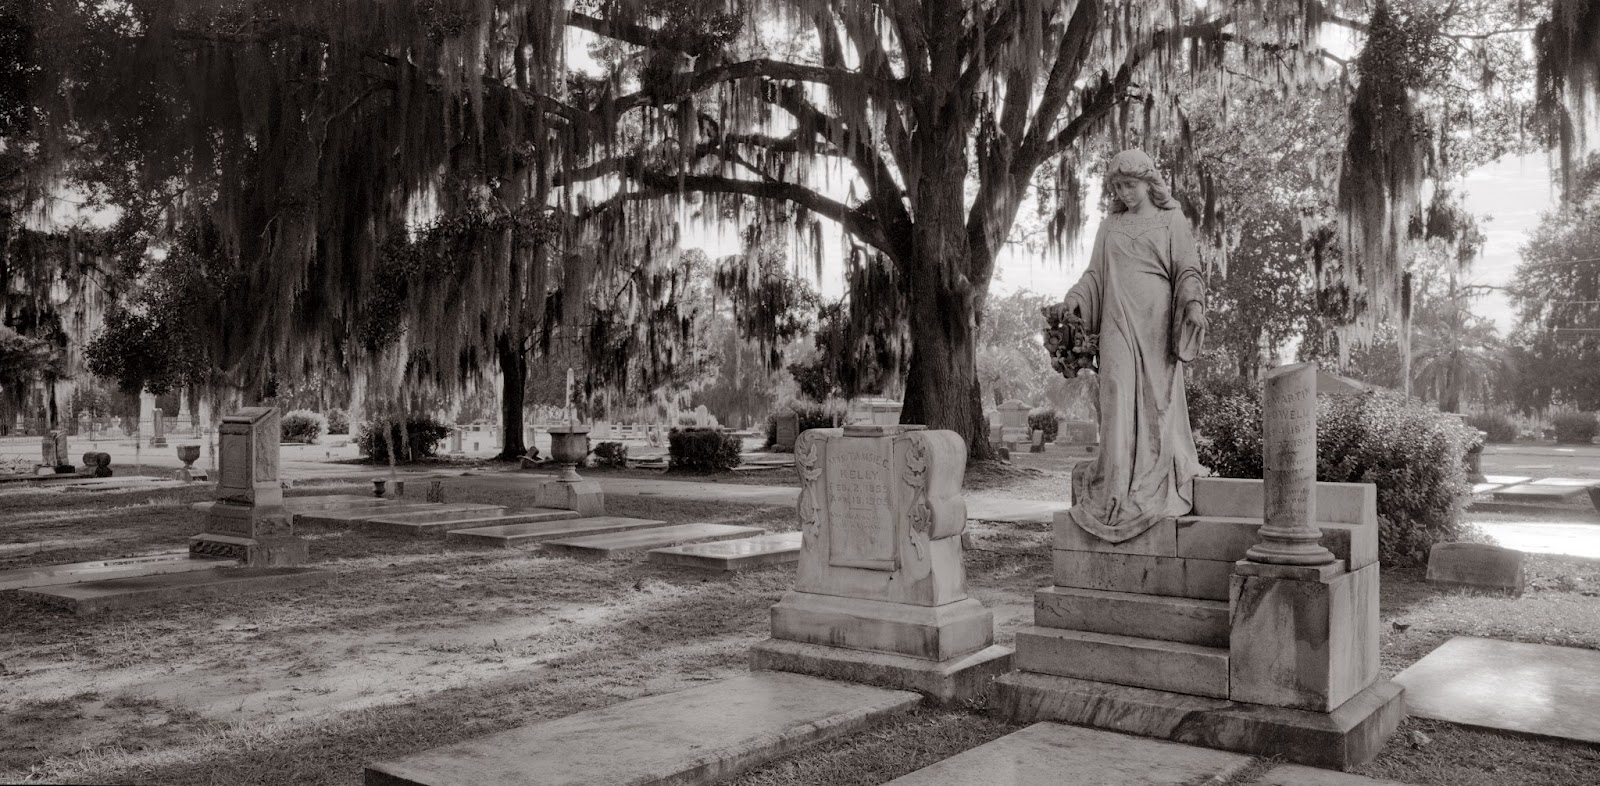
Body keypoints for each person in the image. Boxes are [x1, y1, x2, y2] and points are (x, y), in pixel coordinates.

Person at [1044, 149, 1208, 543]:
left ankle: (1152, 479)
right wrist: (1074, 299)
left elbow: (1187, 268)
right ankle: (1115, 480)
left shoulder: (1171, 220)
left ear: (1149, 183)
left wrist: (1194, 305)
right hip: (1117, 319)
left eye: (1130, 185)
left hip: (1155, 322)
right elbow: (1095, 276)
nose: (1125, 192)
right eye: (1117, 186)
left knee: (1156, 401)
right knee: (1114, 391)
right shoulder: (1109, 226)